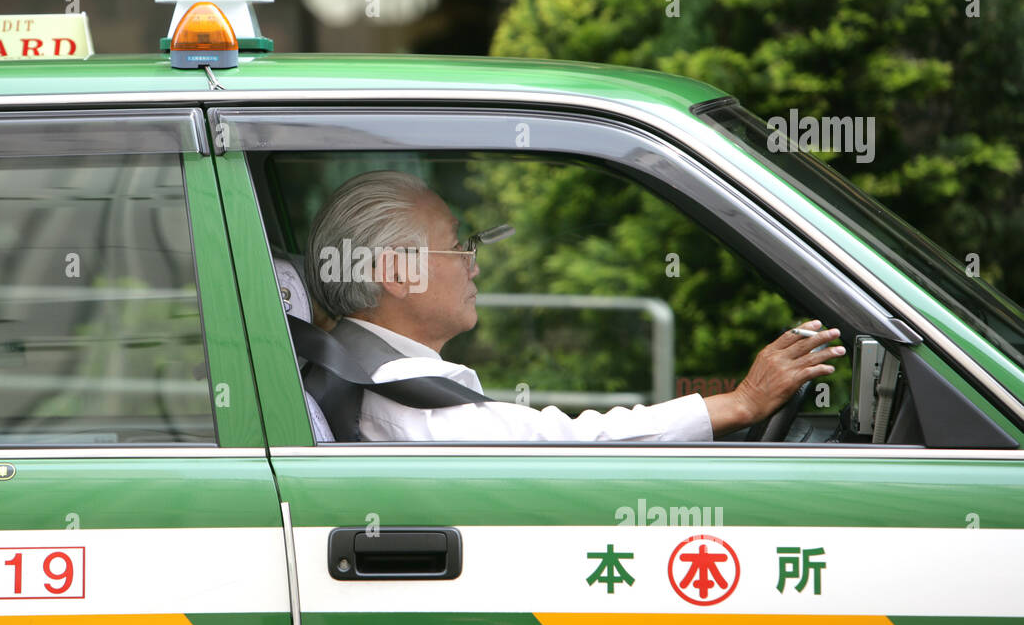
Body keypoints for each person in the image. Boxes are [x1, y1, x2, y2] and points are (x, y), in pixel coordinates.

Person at [303, 170, 847, 442]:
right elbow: (565, 445)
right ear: (400, 271)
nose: (474, 262)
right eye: (460, 243)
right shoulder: (399, 387)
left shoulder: (355, 359)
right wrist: (739, 403)